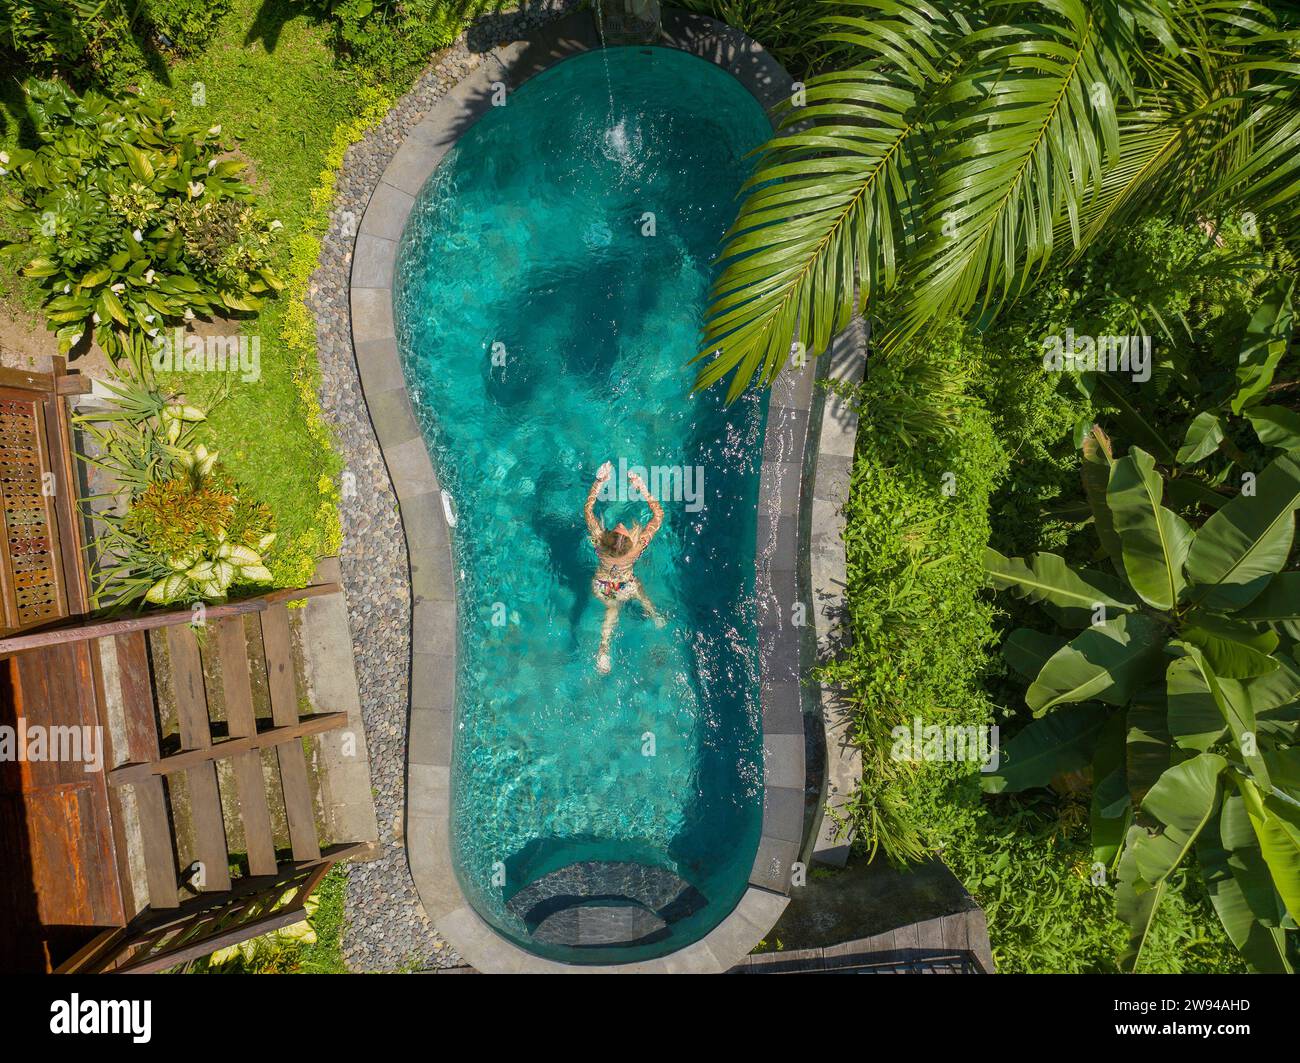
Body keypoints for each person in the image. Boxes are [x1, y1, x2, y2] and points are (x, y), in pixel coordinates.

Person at [584, 460, 665, 674]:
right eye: (622, 529)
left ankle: (603, 650)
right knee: (638, 591)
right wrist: (642, 488)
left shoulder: (600, 540)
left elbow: (588, 510)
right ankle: (654, 615)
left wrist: (599, 482)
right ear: (629, 539)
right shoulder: (637, 547)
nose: (621, 526)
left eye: (617, 529)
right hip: (625, 582)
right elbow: (659, 516)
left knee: (612, 610)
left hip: (602, 584)